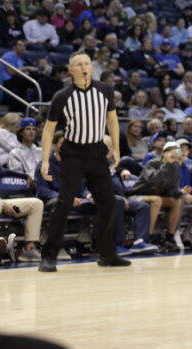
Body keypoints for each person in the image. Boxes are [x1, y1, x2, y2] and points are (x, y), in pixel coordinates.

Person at [38, 51, 131, 271]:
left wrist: (116, 149)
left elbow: (113, 121)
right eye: (78, 64)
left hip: (98, 154)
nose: (84, 67)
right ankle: (48, 256)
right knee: (64, 203)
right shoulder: (62, 96)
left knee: (109, 201)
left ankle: (106, 253)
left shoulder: (105, 90)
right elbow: (49, 130)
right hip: (73, 154)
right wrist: (44, 160)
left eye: (87, 63)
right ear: (71, 70)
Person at [0, 129, 45, 262]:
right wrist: (1, 203)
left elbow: (6, 172)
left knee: (36, 203)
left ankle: (29, 249)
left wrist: (26, 176)